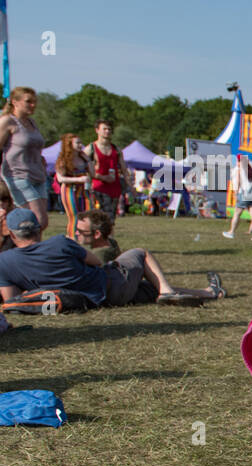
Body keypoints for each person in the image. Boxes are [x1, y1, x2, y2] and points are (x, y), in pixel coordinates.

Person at [0, 208, 221, 307]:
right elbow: (96, 262)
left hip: (87, 302)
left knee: (149, 286)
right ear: (39, 229)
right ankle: (168, 292)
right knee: (140, 254)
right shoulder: (60, 242)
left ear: (11, 234)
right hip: (108, 287)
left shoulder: (4, 262)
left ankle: (209, 293)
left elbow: (12, 300)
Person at [74, 209, 226, 299]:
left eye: (80, 232)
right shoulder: (110, 243)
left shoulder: (98, 255)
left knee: (151, 274)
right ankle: (209, 292)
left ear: (97, 234)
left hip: (115, 291)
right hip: (124, 289)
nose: (76, 234)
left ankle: (208, 292)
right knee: (157, 287)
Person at [0, 87, 51, 231]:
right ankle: (20, 250)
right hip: (18, 176)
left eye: (34, 102)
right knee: (35, 221)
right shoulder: (7, 122)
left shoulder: (32, 123)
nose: (33, 105)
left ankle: (30, 250)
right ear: (15, 102)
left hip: (38, 176)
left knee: (42, 223)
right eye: (28, 102)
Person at [86, 120, 129, 216]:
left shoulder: (116, 149)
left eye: (109, 129)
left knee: (111, 218)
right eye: (104, 129)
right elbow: (82, 167)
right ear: (97, 130)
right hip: (97, 187)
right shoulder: (90, 148)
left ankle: (107, 231)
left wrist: (130, 186)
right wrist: (100, 177)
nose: (107, 131)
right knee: (99, 217)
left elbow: (124, 169)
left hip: (114, 188)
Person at [53, 134, 92, 236]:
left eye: (81, 142)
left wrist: (88, 160)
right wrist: (78, 179)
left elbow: (92, 174)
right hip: (69, 190)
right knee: (74, 216)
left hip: (84, 190)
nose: (81, 145)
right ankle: (72, 238)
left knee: (88, 214)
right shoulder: (62, 159)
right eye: (77, 143)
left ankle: (84, 237)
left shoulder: (83, 158)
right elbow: (60, 178)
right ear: (69, 144)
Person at [224, 154, 252, 240]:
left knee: (237, 214)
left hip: (244, 193)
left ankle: (231, 232)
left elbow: (238, 181)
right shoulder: (251, 168)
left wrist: (235, 193)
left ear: (238, 161)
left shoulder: (238, 169)